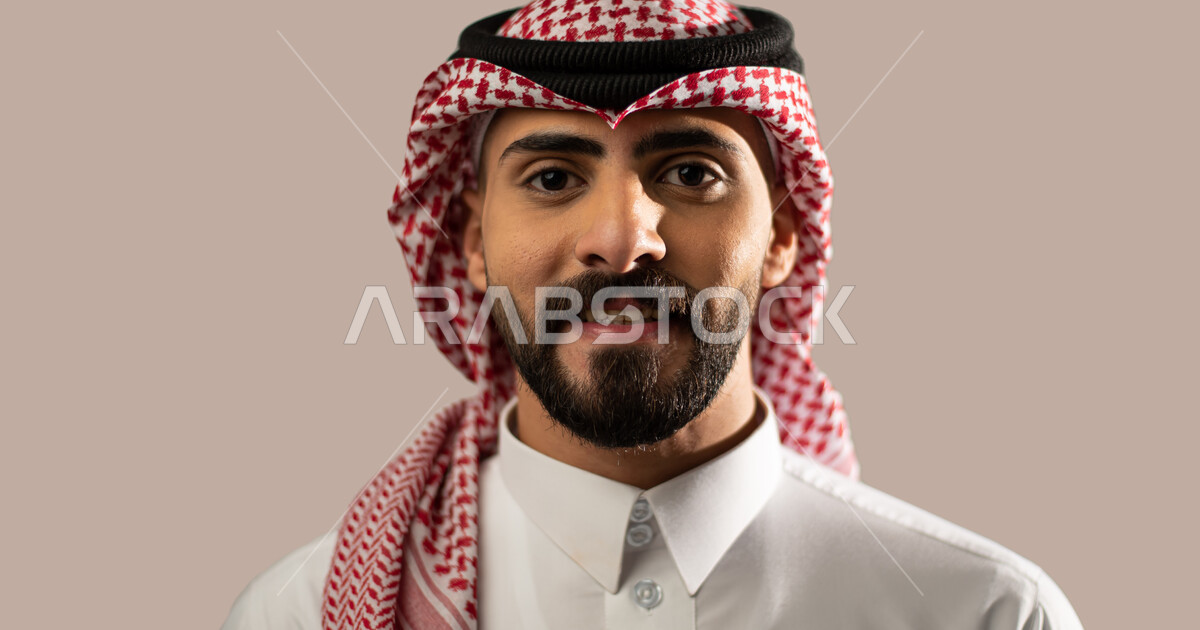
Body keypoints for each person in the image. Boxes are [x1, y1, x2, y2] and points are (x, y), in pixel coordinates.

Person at [224, 1, 1082, 628]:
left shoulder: (985, 614)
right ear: (471, 240)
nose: (621, 241)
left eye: (690, 173)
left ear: (782, 232)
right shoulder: (295, 615)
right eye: (554, 178)